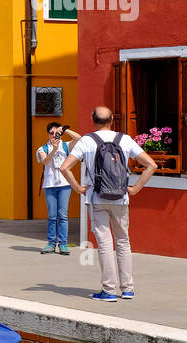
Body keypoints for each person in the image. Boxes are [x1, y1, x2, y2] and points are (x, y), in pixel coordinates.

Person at [60, 106, 158, 301]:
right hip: (121, 198)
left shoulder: (86, 141)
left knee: (105, 243)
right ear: (112, 119)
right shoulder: (124, 139)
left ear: (92, 119)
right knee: (123, 242)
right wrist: (135, 188)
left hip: (96, 198)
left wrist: (79, 188)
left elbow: (64, 167)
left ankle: (109, 290)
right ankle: (128, 288)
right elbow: (151, 165)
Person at [36, 122, 81, 255]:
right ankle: (51, 243)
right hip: (50, 184)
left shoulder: (66, 145)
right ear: (47, 134)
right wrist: (54, 149)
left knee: (62, 215)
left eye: (56, 133)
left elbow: (79, 139)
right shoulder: (42, 149)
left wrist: (65, 130)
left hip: (64, 184)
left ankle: (63, 244)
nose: (54, 136)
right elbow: (45, 162)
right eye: (52, 133)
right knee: (52, 216)